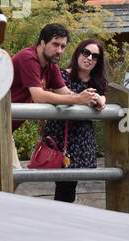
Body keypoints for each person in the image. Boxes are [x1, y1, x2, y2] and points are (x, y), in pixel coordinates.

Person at [40, 39, 109, 203]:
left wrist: (101, 99)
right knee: (63, 184)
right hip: (61, 135)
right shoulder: (61, 75)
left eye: (95, 56)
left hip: (81, 139)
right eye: (86, 53)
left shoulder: (97, 82)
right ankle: (61, 221)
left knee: (69, 185)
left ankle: (63, 220)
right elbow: (53, 96)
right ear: (78, 53)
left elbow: (103, 98)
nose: (89, 58)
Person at [10, 23, 103, 132]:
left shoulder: (51, 64)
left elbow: (65, 93)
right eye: (55, 44)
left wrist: (91, 98)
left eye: (63, 46)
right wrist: (78, 99)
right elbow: (38, 96)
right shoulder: (28, 58)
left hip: (5, 127)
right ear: (43, 43)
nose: (59, 51)